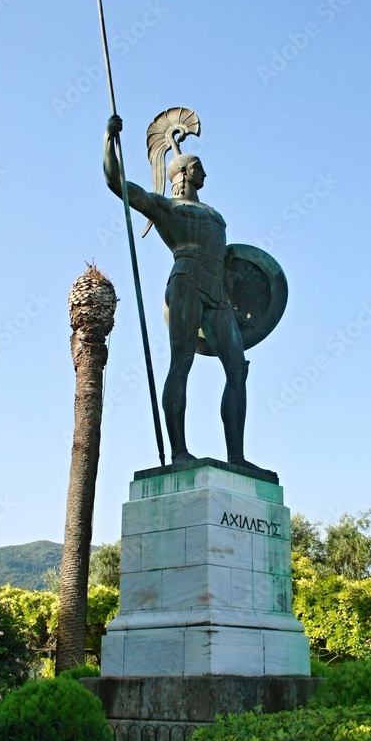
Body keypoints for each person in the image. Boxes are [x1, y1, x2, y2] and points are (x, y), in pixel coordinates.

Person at [103, 114, 273, 477]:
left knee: (237, 370)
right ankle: (179, 451)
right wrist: (109, 140)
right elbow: (117, 184)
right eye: (198, 167)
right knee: (182, 363)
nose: (205, 175)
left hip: (218, 291)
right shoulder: (165, 207)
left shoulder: (215, 215)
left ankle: (236, 457)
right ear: (181, 173)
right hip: (185, 281)